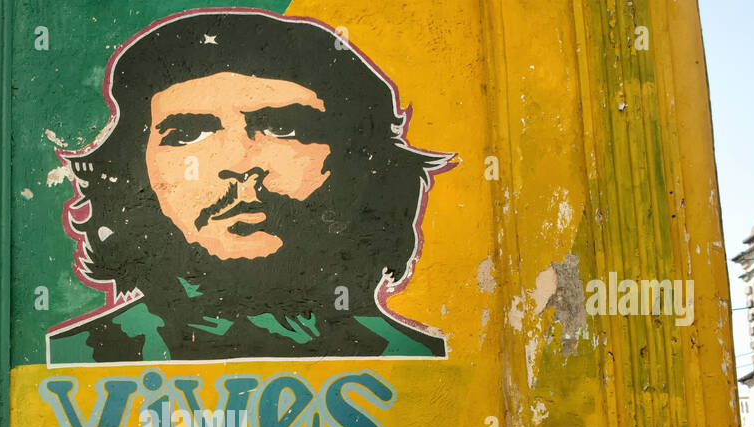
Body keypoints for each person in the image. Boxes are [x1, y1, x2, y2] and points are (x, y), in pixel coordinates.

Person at [47, 9, 455, 365]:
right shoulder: (79, 358)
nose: (238, 163)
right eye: (187, 134)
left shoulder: (420, 364)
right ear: (131, 169)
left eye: (284, 128)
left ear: (362, 162)